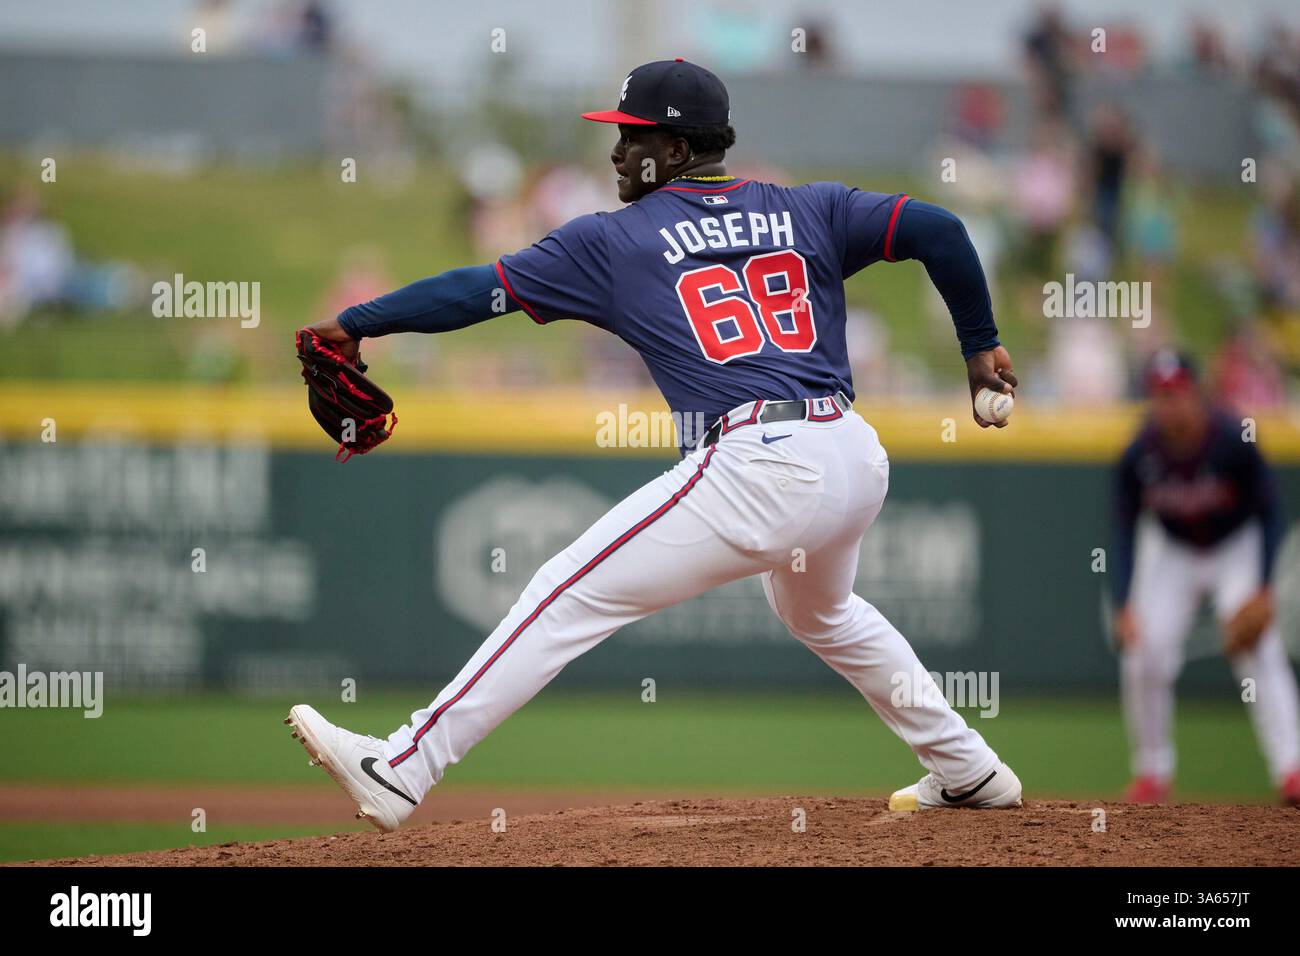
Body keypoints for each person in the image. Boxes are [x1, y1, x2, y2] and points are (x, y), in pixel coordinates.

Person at [285, 59, 1023, 830]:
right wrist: (979, 345)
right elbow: (941, 230)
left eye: (630, 135)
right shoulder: (813, 208)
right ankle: (967, 767)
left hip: (760, 461)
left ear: (673, 150)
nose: (614, 152)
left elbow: (478, 291)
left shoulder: (617, 241)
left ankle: (403, 767)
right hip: (851, 454)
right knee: (823, 614)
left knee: (567, 590)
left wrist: (360, 320)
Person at [1112, 350, 1300, 805]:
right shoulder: (1140, 454)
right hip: (1173, 552)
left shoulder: (1233, 440)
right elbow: (1122, 529)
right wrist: (1122, 603)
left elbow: (1270, 511)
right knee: (1143, 653)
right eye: (1160, 395)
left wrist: (1262, 586)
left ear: (1196, 394)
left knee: (1259, 646)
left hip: (1236, 546)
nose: (1169, 405)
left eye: (1176, 393)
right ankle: (1153, 772)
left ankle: (1292, 769)